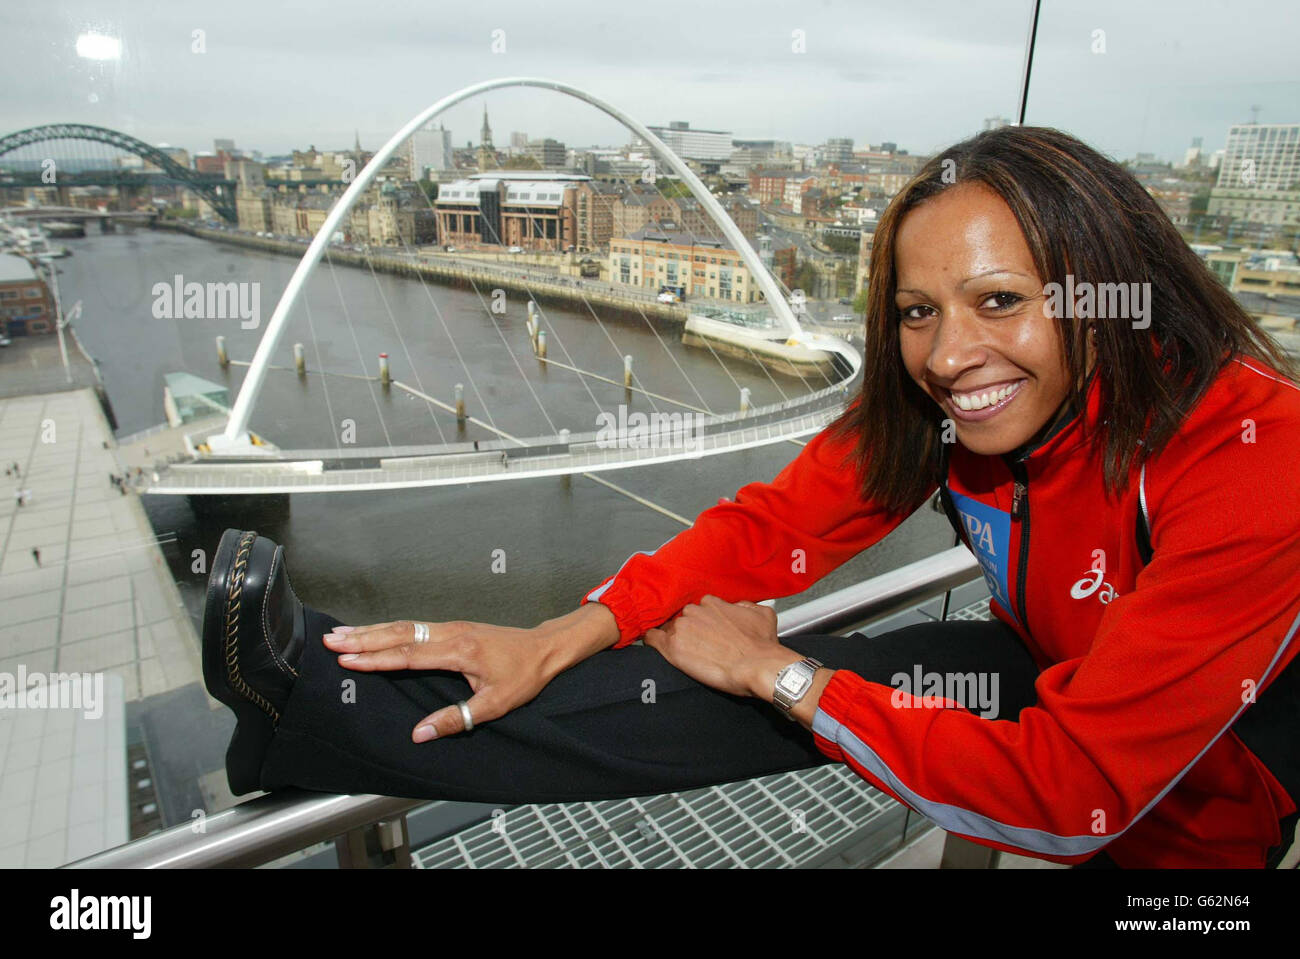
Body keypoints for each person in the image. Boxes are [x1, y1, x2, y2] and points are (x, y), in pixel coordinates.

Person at [202, 126, 1300, 869]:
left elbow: (1078, 792)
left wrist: (782, 670)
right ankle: (307, 710)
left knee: (776, 684)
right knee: (704, 680)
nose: (950, 353)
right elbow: (777, 528)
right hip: (1048, 671)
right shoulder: (955, 414)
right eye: (917, 313)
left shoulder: (1255, 455)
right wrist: (563, 631)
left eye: (999, 300)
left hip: (1202, 813)